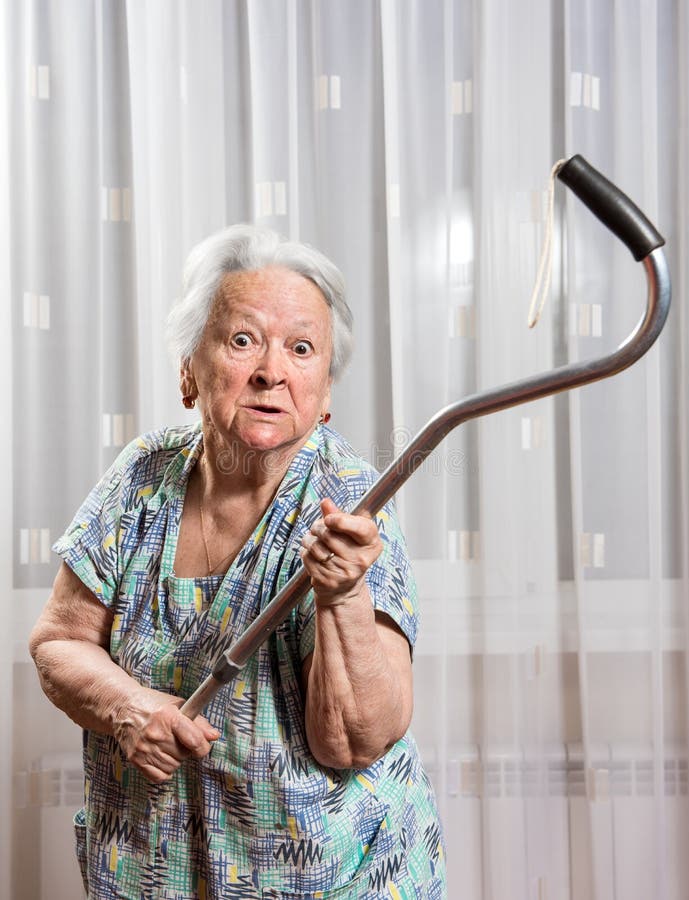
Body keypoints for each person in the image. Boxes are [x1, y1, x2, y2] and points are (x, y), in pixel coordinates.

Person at [29, 224, 446, 899]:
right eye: (242, 340)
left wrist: (342, 597)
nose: (271, 372)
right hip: (155, 869)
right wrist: (126, 705)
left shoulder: (348, 502)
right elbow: (58, 642)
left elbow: (353, 742)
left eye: (301, 349)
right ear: (189, 370)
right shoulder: (143, 475)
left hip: (325, 878)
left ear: (326, 392)